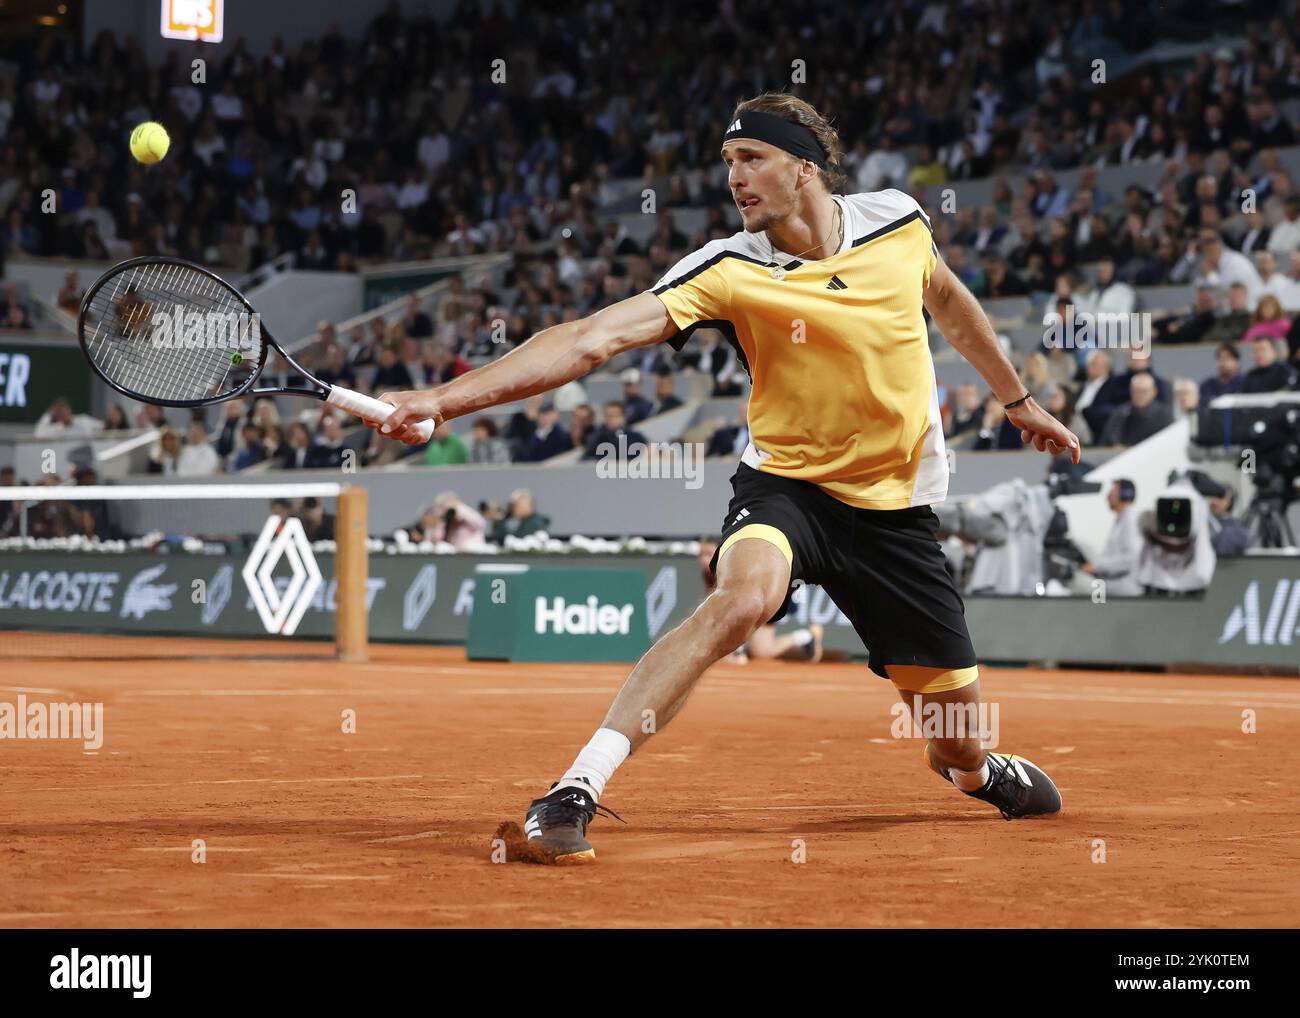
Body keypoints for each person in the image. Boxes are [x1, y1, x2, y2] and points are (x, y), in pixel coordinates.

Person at [372, 93, 1078, 861]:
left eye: (752, 160)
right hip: (788, 488)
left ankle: (975, 778)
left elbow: (946, 297)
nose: (734, 178)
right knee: (742, 599)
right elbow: (589, 339)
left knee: (960, 743)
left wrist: (1019, 400)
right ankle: (575, 788)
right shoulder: (729, 268)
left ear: (804, 165)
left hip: (895, 511)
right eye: (727, 164)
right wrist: (442, 400)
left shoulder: (901, 223)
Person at [697, 537, 824, 663]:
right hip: (755, 600)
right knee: (762, 652)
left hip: (770, 594)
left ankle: (738, 651)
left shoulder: (733, 566)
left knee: (738, 616)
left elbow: (739, 605)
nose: (704, 559)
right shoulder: (708, 572)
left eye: (708, 554)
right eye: (701, 555)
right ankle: (806, 637)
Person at [1079, 479, 1142, 596]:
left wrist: (1096, 567)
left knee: (1078, 584)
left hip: (1124, 586)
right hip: (1115, 581)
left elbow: (1131, 558)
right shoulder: (1122, 519)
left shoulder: (1130, 520)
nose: (1108, 496)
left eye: (1112, 492)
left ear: (1125, 494)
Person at [1100, 373, 1173, 448]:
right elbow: (1106, 439)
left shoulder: (1163, 415)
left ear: (1154, 392)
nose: (1139, 395)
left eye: (1144, 391)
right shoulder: (1120, 412)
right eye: (1136, 391)